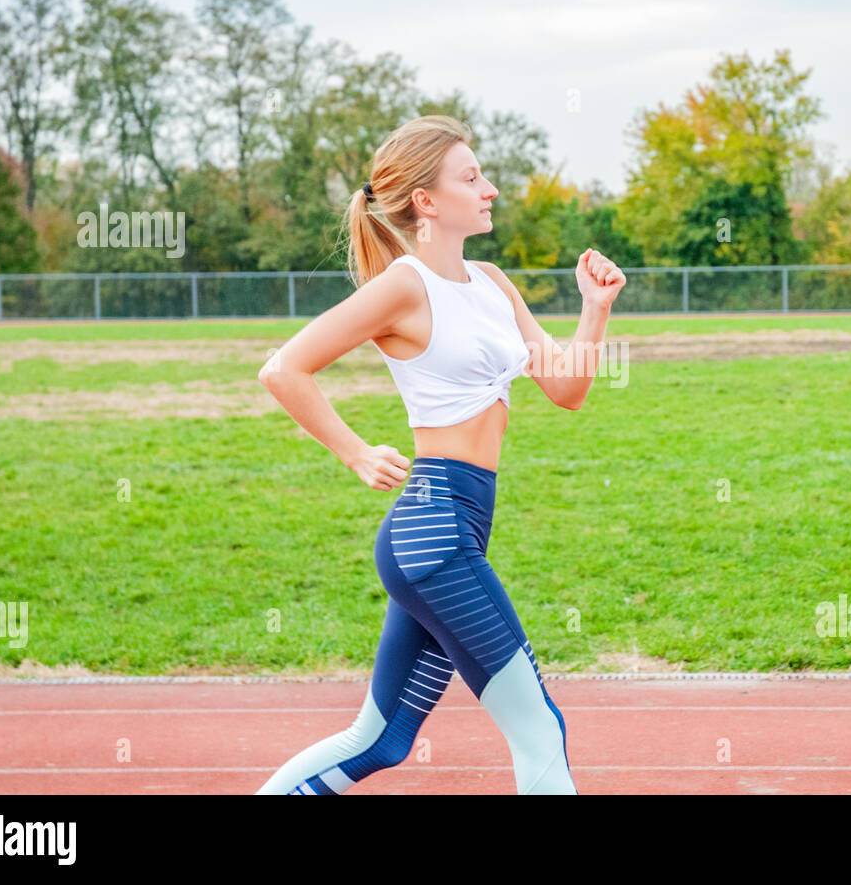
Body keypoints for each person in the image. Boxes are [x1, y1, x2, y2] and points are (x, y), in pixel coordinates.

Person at [253, 114, 625, 794]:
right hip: (433, 532)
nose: (489, 189)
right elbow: (283, 369)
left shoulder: (490, 281)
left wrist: (594, 311)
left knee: (380, 739)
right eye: (471, 176)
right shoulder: (404, 285)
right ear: (426, 201)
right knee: (538, 728)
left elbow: (566, 388)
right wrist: (357, 452)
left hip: (455, 530)